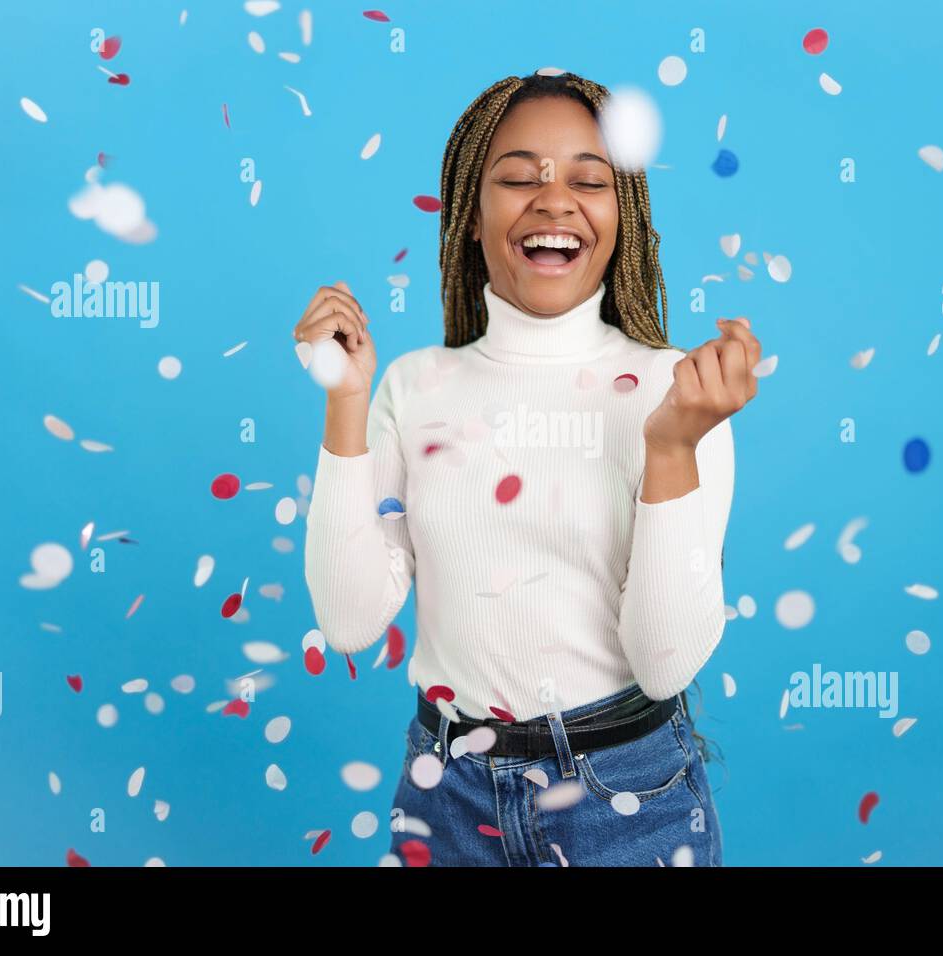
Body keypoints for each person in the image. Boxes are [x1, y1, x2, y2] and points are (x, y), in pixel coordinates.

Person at [295, 70, 761, 866]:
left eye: (589, 179)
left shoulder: (673, 392)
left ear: (623, 217)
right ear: (472, 218)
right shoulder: (412, 388)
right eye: (517, 178)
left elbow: (665, 662)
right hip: (445, 796)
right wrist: (345, 400)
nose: (553, 200)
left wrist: (673, 446)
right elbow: (349, 620)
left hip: (626, 799)